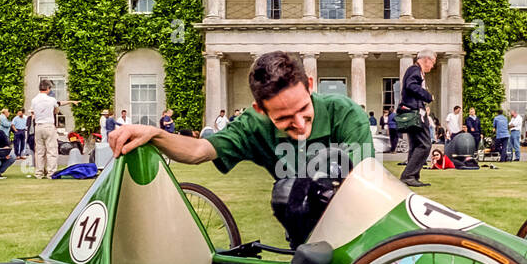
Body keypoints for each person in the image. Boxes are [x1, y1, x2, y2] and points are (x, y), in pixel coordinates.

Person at [106, 49, 373, 194]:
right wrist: (155, 134)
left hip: (356, 215)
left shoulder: (345, 114)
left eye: (303, 109)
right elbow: (200, 150)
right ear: (260, 110)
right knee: (285, 194)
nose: (300, 124)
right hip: (304, 225)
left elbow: (366, 185)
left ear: (310, 85)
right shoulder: (253, 124)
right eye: (283, 118)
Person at [398, 49, 436, 187]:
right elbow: (411, 86)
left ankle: (412, 176)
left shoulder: (414, 71)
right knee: (425, 144)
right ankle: (408, 175)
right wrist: (428, 96)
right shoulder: (415, 70)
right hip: (415, 113)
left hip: (411, 111)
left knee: (415, 145)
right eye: (432, 63)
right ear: (426, 59)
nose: (432, 66)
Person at [30, 79, 77, 179]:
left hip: (38, 126)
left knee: (39, 151)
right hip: (49, 125)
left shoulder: (34, 100)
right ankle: (51, 173)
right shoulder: (51, 100)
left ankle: (39, 172)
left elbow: (33, 112)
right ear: (48, 88)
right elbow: (56, 109)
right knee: (51, 150)